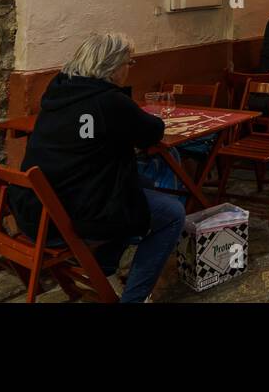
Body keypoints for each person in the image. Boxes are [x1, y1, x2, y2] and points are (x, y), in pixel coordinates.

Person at [9, 33, 183, 303]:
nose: (129, 69)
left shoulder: (59, 91)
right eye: (129, 63)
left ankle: (103, 268)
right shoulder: (107, 101)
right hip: (69, 217)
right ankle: (134, 298)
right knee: (171, 212)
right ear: (114, 66)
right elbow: (152, 132)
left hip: (33, 209)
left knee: (139, 187)